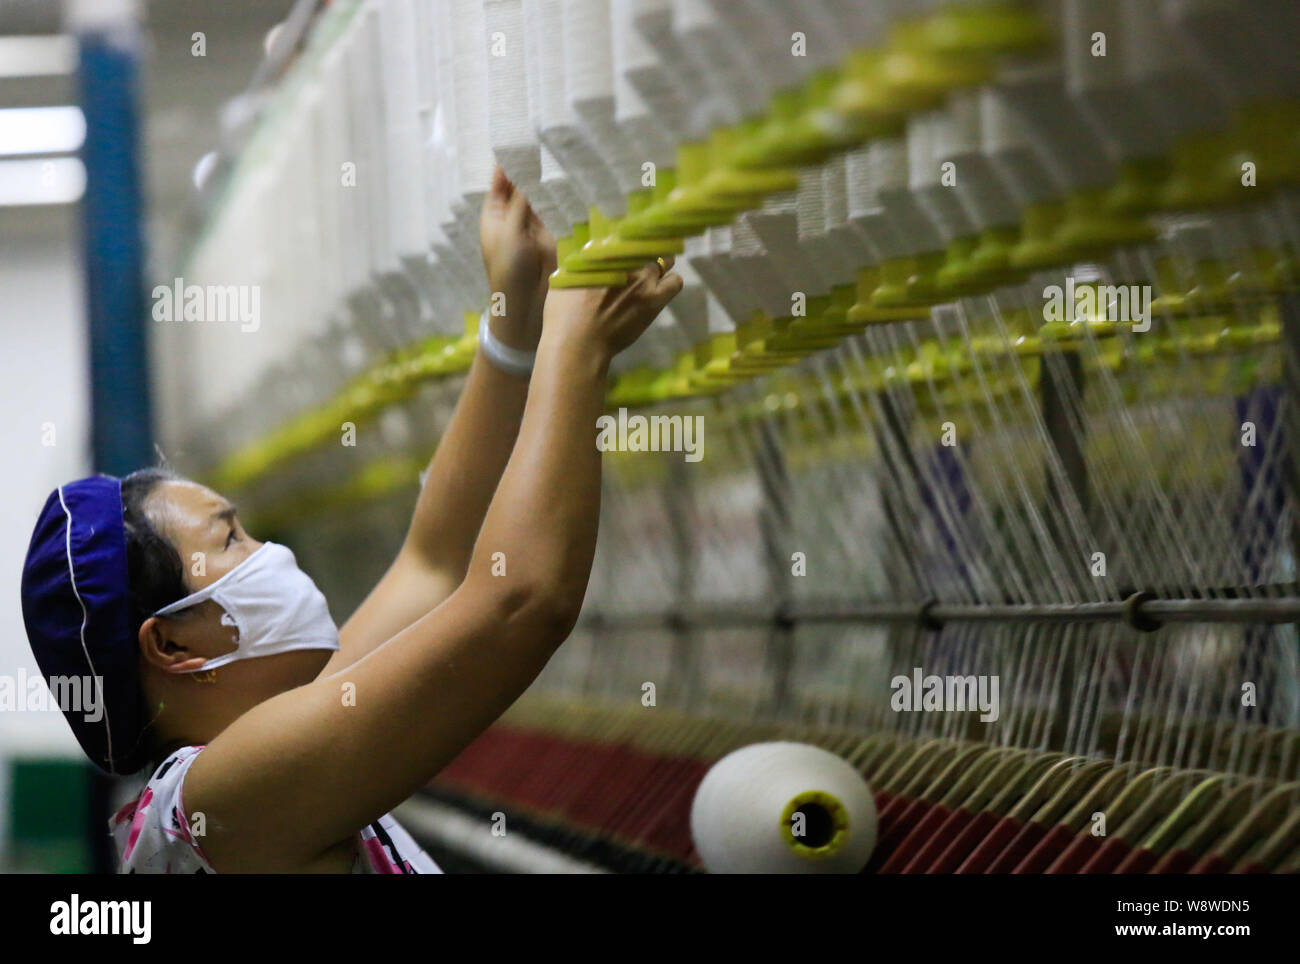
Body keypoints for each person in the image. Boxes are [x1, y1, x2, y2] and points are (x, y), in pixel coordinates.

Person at [20, 168, 682, 872]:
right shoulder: (224, 794)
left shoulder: (278, 734)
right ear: (173, 646)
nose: (269, 550)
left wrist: (515, 317)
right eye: (231, 538)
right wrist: (575, 354)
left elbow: (437, 559)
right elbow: (520, 603)